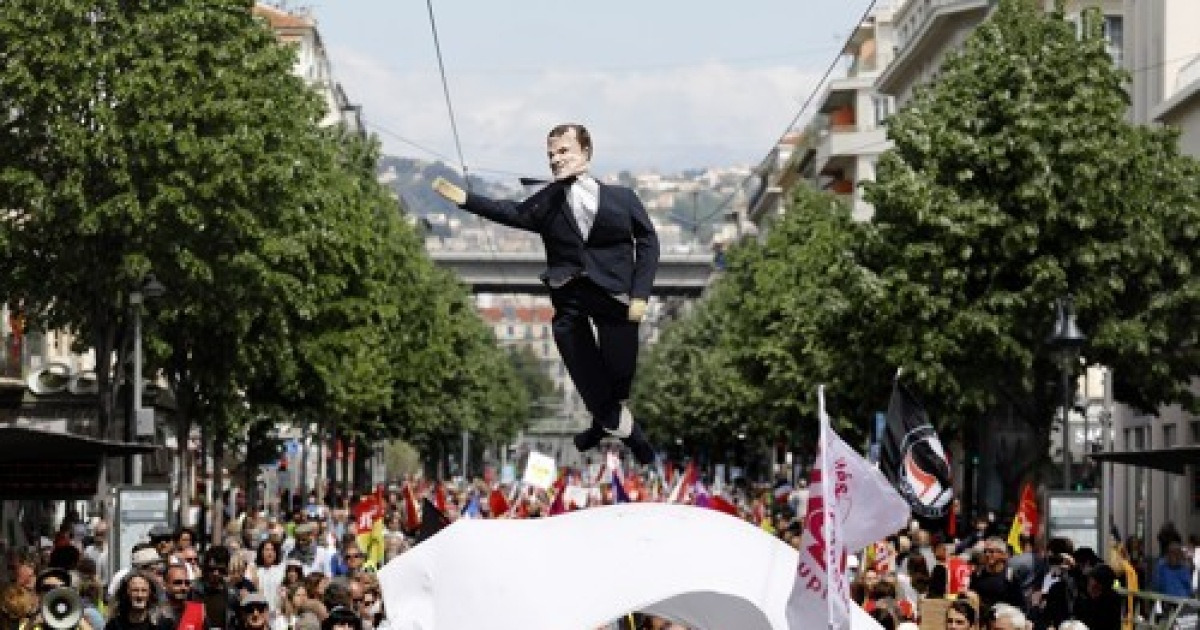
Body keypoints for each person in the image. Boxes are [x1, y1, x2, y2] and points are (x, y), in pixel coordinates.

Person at [432, 122, 660, 465]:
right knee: (583, 366)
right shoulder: (547, 202)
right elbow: (509, 211)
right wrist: (466, 199)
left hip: (615, 297)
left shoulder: (623, 199)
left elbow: (649, 241)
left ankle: (600, 428)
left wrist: (640, 294)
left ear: (586, 152)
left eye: (563, 151)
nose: (555, 159)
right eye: (550, 154)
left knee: (618, 382)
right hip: (570, 299)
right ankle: (636, 440)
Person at [105, 572, 172, 630]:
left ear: (150, 594)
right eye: (135, 590)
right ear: (126, 593)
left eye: (144, 590)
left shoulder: (162, 625)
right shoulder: (114, 625)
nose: (139, 595)